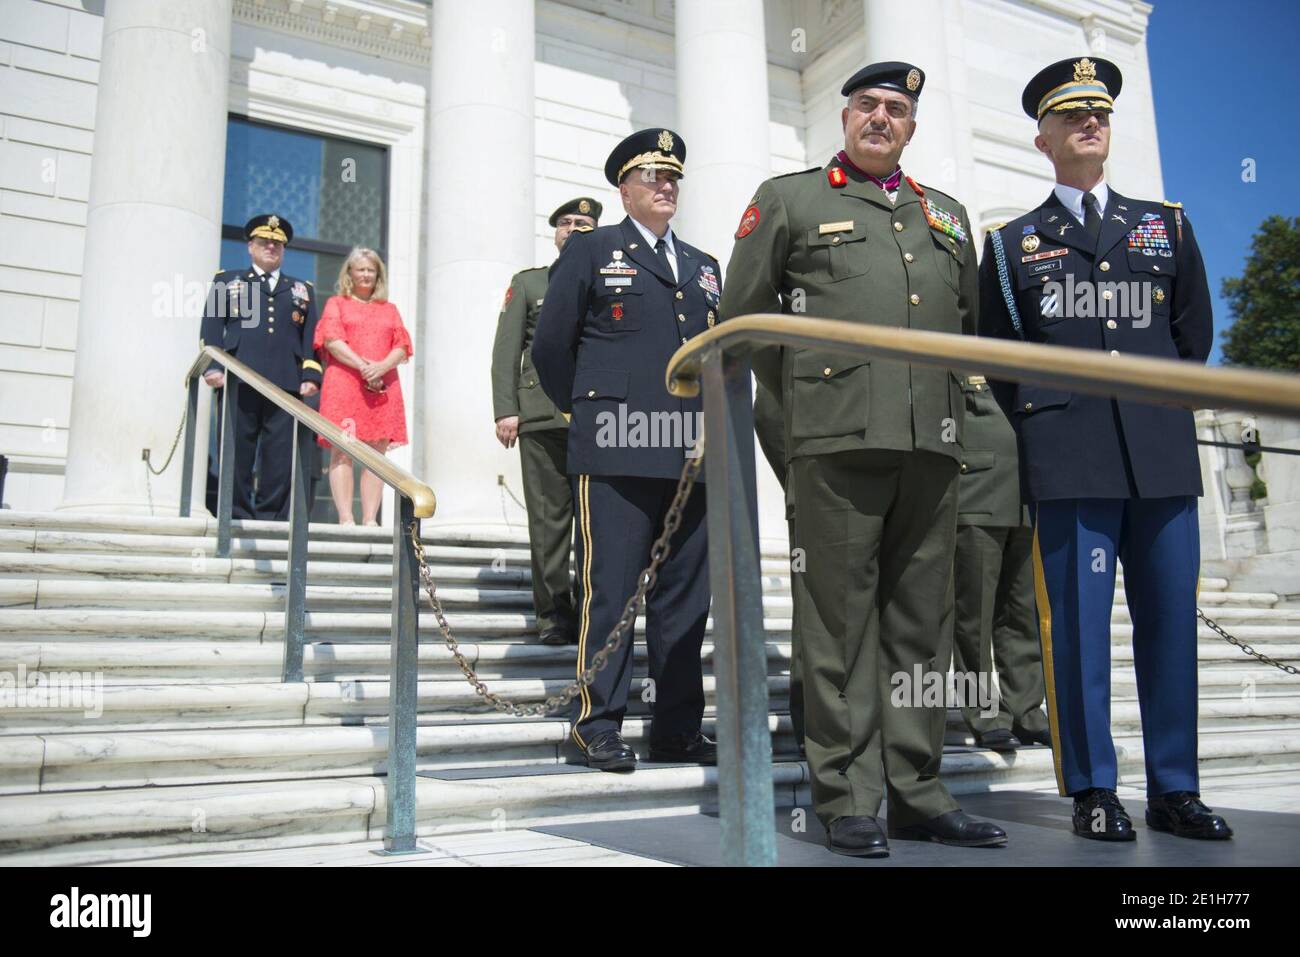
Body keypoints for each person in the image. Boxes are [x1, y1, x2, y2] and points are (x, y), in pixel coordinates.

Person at [718, 62, 1006, 857]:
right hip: (835, 445)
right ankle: (846, 793)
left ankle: (918, 787)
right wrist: (798, 430)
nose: (881, 118)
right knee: (837, 626)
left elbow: (967, 335)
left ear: (913, 126)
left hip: (933, 445)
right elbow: (744, 327)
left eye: (897, 110)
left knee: (923, 625)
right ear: (844, 117)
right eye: (868, 106)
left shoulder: (945, 215)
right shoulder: (792, 198)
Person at [978, 56, 1230, 841]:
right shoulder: (1014, 244)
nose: (1092, 122)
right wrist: (1054, 425)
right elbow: (1002, 358)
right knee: (1078, 630)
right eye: (1073, 114)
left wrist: (1154, 408)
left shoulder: (1167, 224)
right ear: (1042, 137)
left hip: (1157, 455)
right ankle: (1091, 788)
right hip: (1071, 459)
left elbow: (1193, 335)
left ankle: (1174, 788)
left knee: (1170, 625)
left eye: (1101, 112)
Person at [532, 129, 718, 772]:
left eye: (673, 178)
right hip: (615, 446)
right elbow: (552, 348)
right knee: (610, 591)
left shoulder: (703, 265)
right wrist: (588, 413)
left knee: (686, 601)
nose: (665, 186)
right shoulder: (591, 250)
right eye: (651, 177)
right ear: (625, 188)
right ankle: (597, 725)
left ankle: (676, 730)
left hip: (690, 454)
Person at [491, 197, 602, 645]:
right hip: (540, 416)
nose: (574, 229)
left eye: (584, 223)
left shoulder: (607, 281)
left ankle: (593, 610)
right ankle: (554, 614)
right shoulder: (529, 282)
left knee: (596, 521)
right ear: (555, 232)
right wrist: (506, 409)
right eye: (567, 223)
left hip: (598, 417)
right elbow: (507, 348)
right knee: (548, 519)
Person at [947, 374, 1049, 752]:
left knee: (1023, 612)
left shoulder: (1025, 350)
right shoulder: (960, 347)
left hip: (1028, 494)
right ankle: (984, 712)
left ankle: (1026, 710)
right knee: (972, 617)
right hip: (976, 494)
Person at [200, 214, 321, 521]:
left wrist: (310, 374)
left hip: (285, 382)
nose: (271, 247)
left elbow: (310, 337)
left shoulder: (302, 289)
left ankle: (272, 519)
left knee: (279, 457)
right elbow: (212, 326)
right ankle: (235, 514)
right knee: (236, 449)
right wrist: (213, 365)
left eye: (278, 244)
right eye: (265, 242)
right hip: (239, 377)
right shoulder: (227, 281)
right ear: (250, 247)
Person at [313, 247, 412, 526]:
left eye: (372, 270)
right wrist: (364, 367)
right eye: (361, 269)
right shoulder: (337, 303)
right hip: (344, 385)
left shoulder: (389, 309)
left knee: (375, 455)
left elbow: (402, 346)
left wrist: (380, 367)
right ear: (350, 273)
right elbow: (331, 340)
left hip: (382, 387)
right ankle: (346, 518)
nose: (366, 275)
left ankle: (370, 520)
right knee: (342, 449)